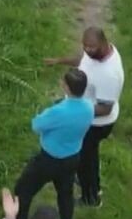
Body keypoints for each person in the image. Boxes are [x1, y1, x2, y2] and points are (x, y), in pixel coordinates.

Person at [45, 27, 125, 208]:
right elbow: (83, 61)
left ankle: (91, 198)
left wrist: (74, 111)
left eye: (92, 48)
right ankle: (84, 179)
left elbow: (105, 108)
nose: (88, 51)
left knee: (86, 160)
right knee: (85, 156)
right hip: (86, 116)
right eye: (85, 46)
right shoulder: (95, 53)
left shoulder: (110, 74)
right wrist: (60, 61)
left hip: (97, 124)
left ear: (104, 43)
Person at [13, 68, 94, 219]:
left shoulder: (58, 111)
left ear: (66, 87)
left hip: (49, 159)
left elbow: (36, 125)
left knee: (23, 189)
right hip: (72, 158)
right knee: (65, 196)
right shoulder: (89, 107)